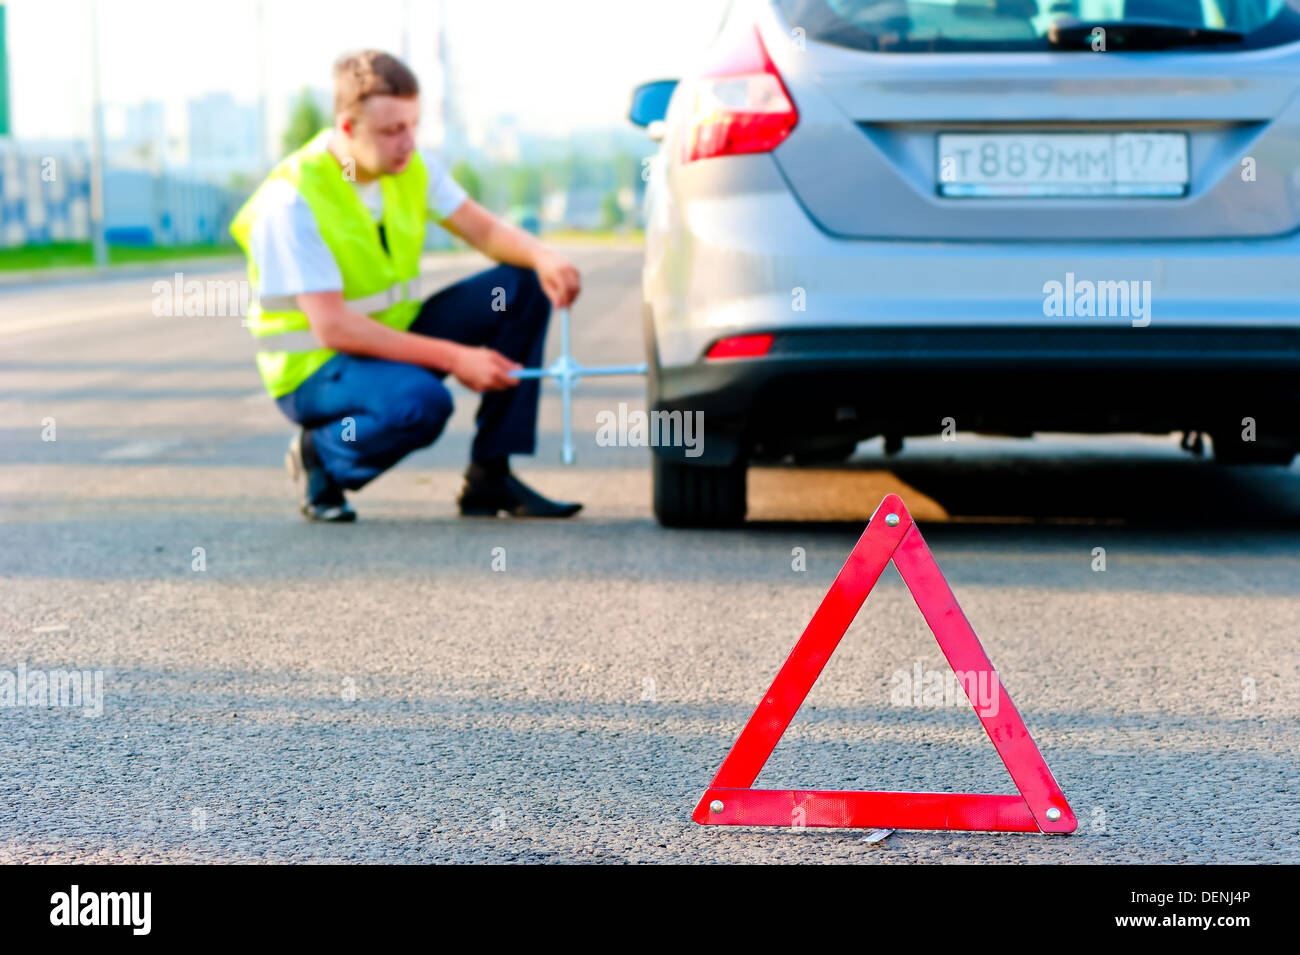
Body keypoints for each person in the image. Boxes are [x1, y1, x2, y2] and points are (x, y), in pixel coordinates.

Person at [230, 49, 583, 522]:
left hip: (387, 343)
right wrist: (457, 359)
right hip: (318, 369)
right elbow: (334, 329)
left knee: (522, 286)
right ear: (348, 128)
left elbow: (486, 232)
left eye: (413, 125)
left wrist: (543, 256)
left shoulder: (409, 168)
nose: (407, 142)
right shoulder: (292, 199)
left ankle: (490, 474)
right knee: (420, 405)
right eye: (392, 130)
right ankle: (323, 455)